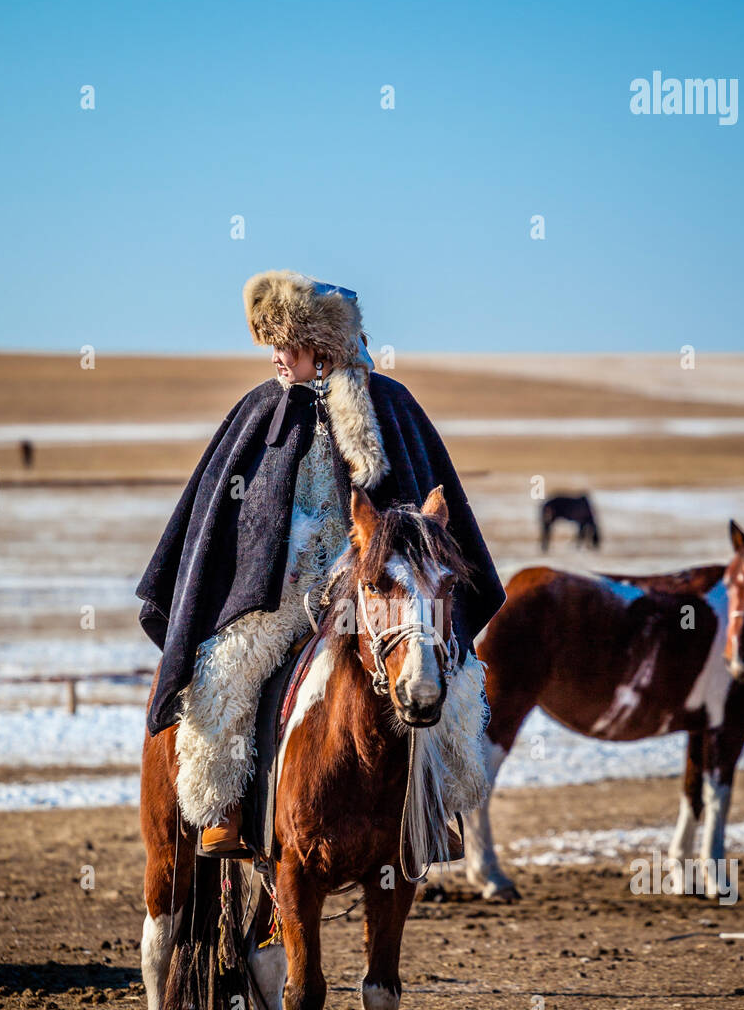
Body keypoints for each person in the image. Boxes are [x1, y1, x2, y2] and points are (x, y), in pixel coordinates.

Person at [137, 270, 505, 855]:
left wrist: (376, 567)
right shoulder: (262, 408)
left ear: (326, 347)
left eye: (290, 344)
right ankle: (223, 809)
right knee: (226, 669)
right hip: (279, 592)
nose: (278, 357)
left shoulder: (390, 406)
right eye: (273, 344)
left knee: (448, 675)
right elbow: (225, 516)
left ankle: (437, 810)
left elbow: (423, 507)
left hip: (375, 588)